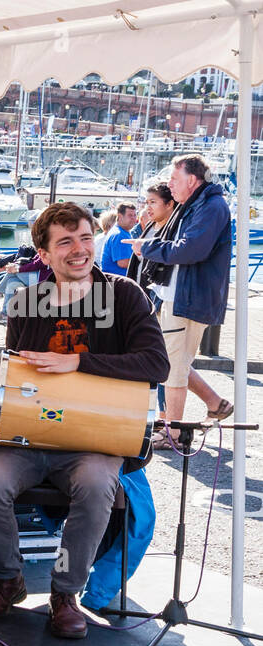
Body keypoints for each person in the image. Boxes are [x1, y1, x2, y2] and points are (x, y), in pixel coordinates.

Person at [0, 202, 169, 639]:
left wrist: (78, 362)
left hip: (93, 441)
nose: (79, 249)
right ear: (43, 254)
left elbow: (157, 364)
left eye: (84, 237)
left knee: (99, 486)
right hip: (30, 435)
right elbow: (18, 364)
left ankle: (64, 592)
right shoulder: (29, 302)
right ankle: (9, 580)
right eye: (65, 242)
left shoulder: (123, 295)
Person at [126, 157, 233, 446]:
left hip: (186, 299)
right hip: (175, 296)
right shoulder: (197, 205)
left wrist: (147, 247)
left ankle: (173, 432)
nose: (170, 183)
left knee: (173, 367)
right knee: (174, 361)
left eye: (174, 178)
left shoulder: (211, 207)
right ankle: (216, 404)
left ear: (192, 180)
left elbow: (191, 250)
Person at [99, 202, 138, 275]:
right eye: (130, 215)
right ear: (120, 216)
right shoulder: (119, 235)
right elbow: (123, 263)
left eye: (135, 215)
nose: (133, 218)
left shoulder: (121, 232)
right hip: (113, 283)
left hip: (111, 281)